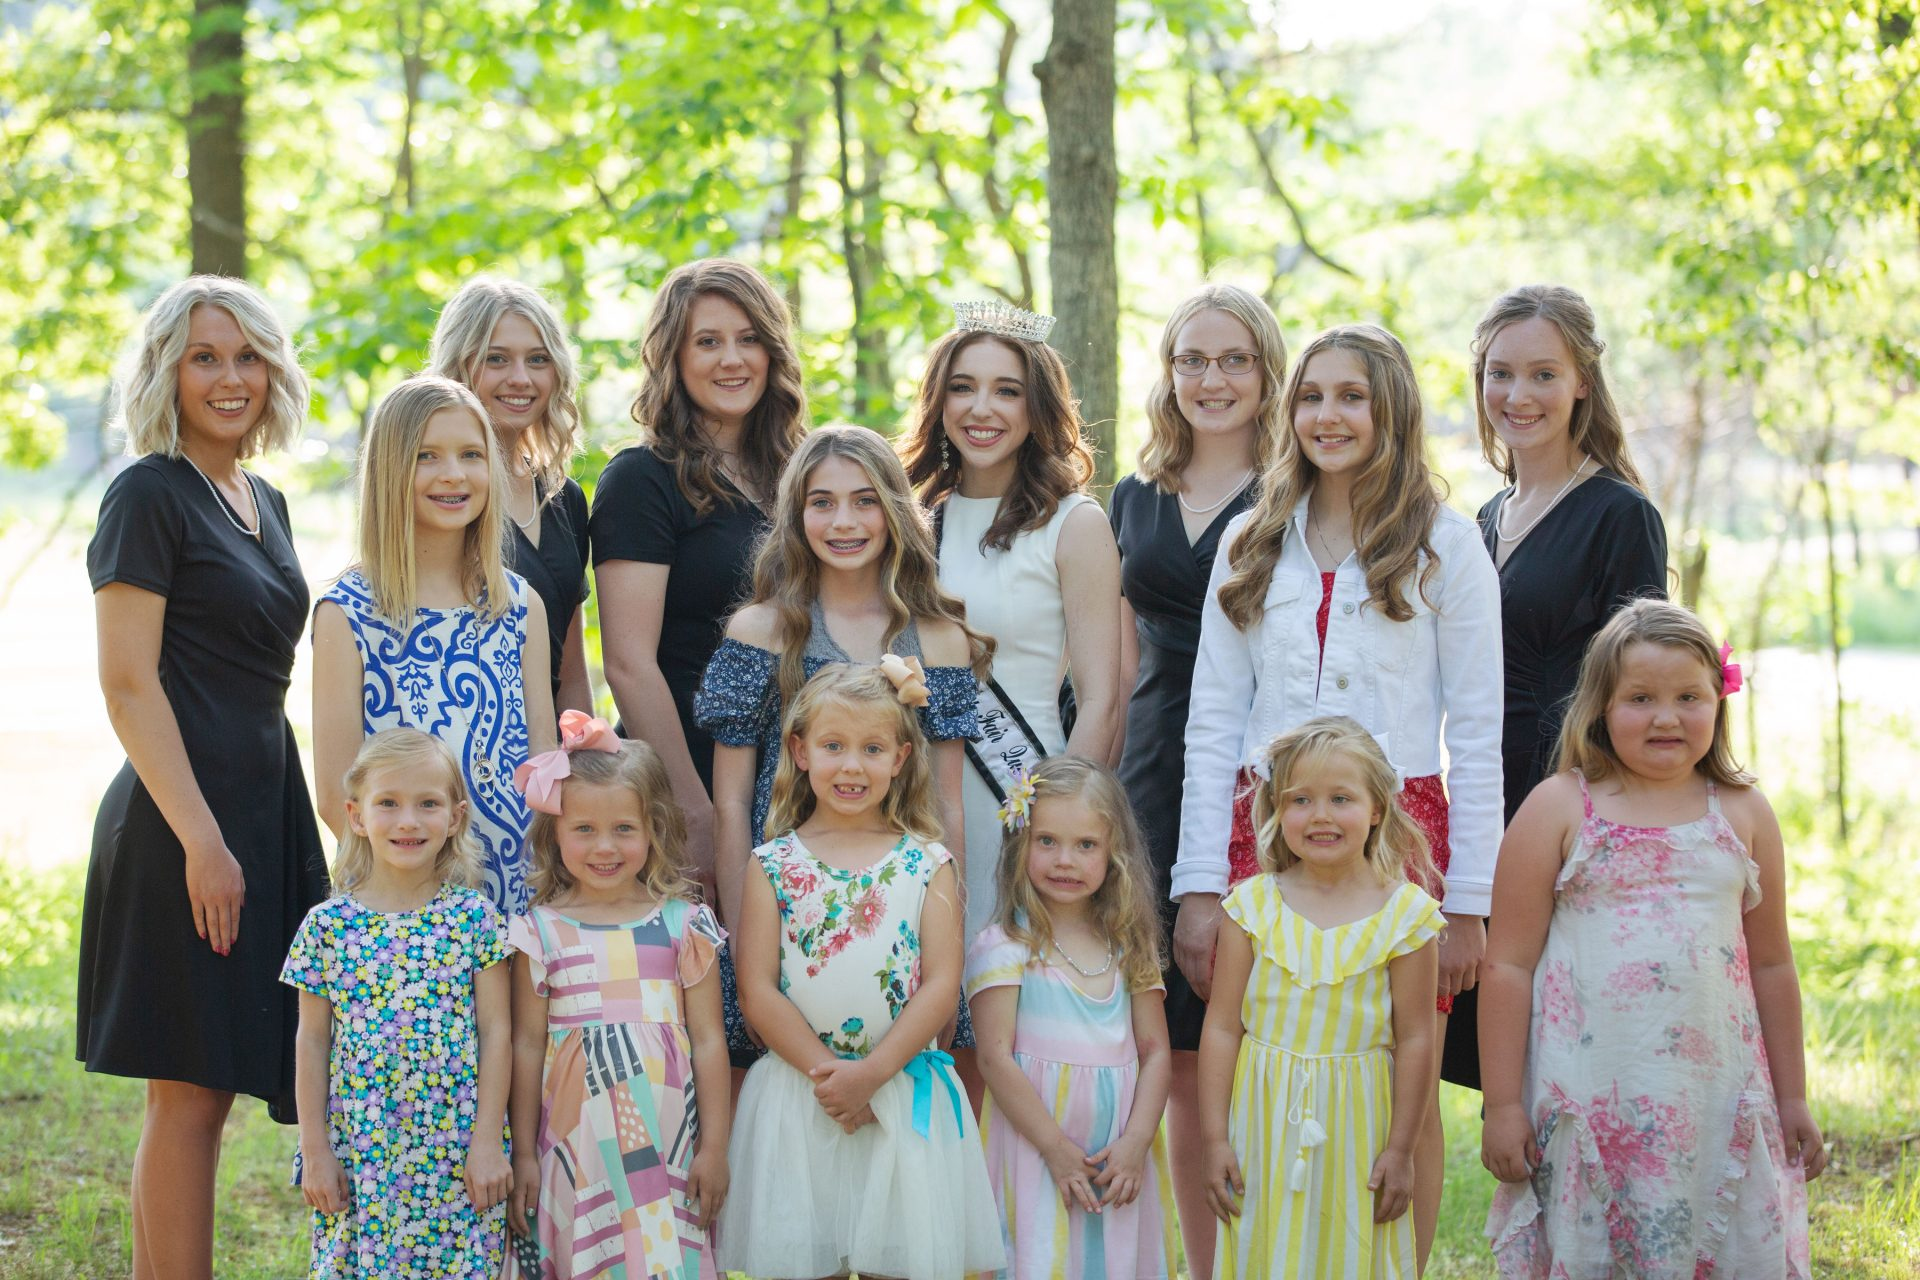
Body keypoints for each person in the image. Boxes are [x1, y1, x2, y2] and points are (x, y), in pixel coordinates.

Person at [1174, 323, 1503, 1266]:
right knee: (1266, 1060)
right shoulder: (1252, 537)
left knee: (1405, 1068)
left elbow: (1477, 734)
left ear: (1390, 408)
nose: (1328, 415)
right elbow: (1210, 721)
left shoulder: (1444, 544)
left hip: (1402, 839)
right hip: (1262, 833)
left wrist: (1469, 903)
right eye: (1312, 396)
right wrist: (1201, 886)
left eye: (1351, 396)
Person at [80, 276, 331, 1280]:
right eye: (203, 357)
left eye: (247, 355)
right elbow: (128, 681)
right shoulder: (147, 492)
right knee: (188, 1092)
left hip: (260, 807)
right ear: (166, 372)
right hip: (182, 823)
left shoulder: (260, 497)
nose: (230, 377)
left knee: (207, 1092)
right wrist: (203, 839)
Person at [1481, 600, 1822, 1277]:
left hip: (1717, 1096)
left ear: (1718, 704)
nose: (1667, 717)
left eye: (1689, 697)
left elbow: (1774, 965)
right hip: (1591, 1097)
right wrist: (1503, 1106)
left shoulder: (1743, 812)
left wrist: (1791, 1096)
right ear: (1601, 706)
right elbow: (1507, 966)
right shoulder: (1559, 807)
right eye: (1640, 698)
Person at [696, 425, 987, 1066]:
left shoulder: (937, 638)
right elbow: (731, 803)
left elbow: (948, 805)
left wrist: (948, 950)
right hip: (790, 915)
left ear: (893, 510)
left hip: (898, 919)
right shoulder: (761, 631)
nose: (843, 520)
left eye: (864, 500)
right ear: (796, 516)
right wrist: (748, 945)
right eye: (821, 502)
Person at [1441, 283, 1670, 1092]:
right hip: (1484, 797)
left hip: (1575, 800)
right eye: (1500, 374)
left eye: (1542, 374)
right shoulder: (1484, 516)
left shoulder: (1618, 513)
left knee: (1573, 1040)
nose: (1518, 395)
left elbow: (1641, 682)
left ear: (1582, 381)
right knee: (1502, 1046)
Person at [719, 664, 1003, 1279]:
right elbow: (757, 989)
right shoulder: (772, 864)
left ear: (901, 757)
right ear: (799, 751)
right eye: (833, 746)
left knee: (894, 1261)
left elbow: (940, 984)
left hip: (895, 1092)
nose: (852, 766)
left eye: (872, 749)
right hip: (802, 1097)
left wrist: (870, 1075)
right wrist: (833, 1080)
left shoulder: (929, 863)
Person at [1110, 283, 1285, 1278]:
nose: (1209, 379)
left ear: (1267, 372)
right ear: (1168, 374)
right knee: (1175, 1049)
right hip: (1148, 768)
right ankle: (1206, 1264)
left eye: (1232, 360)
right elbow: (1116, 652)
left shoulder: (1299, 493)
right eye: (1191, 359)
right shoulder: (1132, 498)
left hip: (1258, 770)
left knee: (1262, 1039)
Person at [900, 301, 1124, 943]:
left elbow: (1103, 699)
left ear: (1038, 407)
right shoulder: (912, 521)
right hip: (918, 795)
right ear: (939, 401)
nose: (981, 409)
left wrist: (1061, 825)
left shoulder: (1073, 524)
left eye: (1007, 391)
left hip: (1024, 791)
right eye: (963, 387)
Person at [1198, 718, 1444, 1279]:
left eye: (1341, 798)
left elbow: (1415, 1039)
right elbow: (1221, 1028)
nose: (1321, 815)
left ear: (1377, 808)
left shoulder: (1406, 917)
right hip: (1264, 1122)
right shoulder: (1251, 907)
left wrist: (1401, 1150)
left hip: (1360, 1124)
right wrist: (1215, 1139)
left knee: (1350, 1251)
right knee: (1269, 1247)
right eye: (1300, 800)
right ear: (1277, 811)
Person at [592, 258, 810, 888]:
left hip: (800, 771)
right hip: (690, 769)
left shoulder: (801, 475)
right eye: (707, 342)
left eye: (749, 340)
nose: (731, 359)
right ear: (673, 358)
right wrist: (696, 812)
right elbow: (629, 663)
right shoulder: (641, 479)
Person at [312, 375, 557, 916]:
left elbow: (543, 768)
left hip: (518, 897)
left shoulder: (520, 605)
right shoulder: (347, 612)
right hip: (405, 907)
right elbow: (336, 794)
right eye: (427, 456)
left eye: (471, 454)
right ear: (390, 469)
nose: (454, 475)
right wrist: (424, 898)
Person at [504, 715, 729, 1279]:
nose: (605, 847)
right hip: (573, 1142)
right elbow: (528, 1045)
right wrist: (525, 1153)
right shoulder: (540, 930)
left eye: (624, 828)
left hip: (666, 1142)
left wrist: (715, 1148)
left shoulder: (685, 925)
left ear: (653, 829)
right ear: (555, 833)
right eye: (584, 829)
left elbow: (707, 1039)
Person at [284, 728, 513, 1277]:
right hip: (365, 1147)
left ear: (455, 817)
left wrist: (487, 1141)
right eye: (388, 803)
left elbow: (497, 1031)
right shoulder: (328, 926)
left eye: (427, 804)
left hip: (453, 1148)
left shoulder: (474, 918)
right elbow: (312, 1040)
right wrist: (314, 1149)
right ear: (356, 816)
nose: (408, 821)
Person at [965, 756, 1178, 1279]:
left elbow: (1155, 1052)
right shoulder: (1004, 946)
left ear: (1114, 854)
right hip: (1036, 1152)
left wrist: (1135, 1143)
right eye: (1047, 842)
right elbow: (994, 1059)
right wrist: (1056, 1150)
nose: (1065, 860)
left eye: (1086, 845)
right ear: (1021, 844)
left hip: (1117, 1163)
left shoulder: (1130, 944)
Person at [430, 275, 594, 716]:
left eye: (538, 359)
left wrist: (583, 762)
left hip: (553, 761)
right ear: (458, 367)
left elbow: (572, 670)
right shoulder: (435, 494)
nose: (520, 378)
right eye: (497, 359)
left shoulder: (566, 499)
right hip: (458, 747)